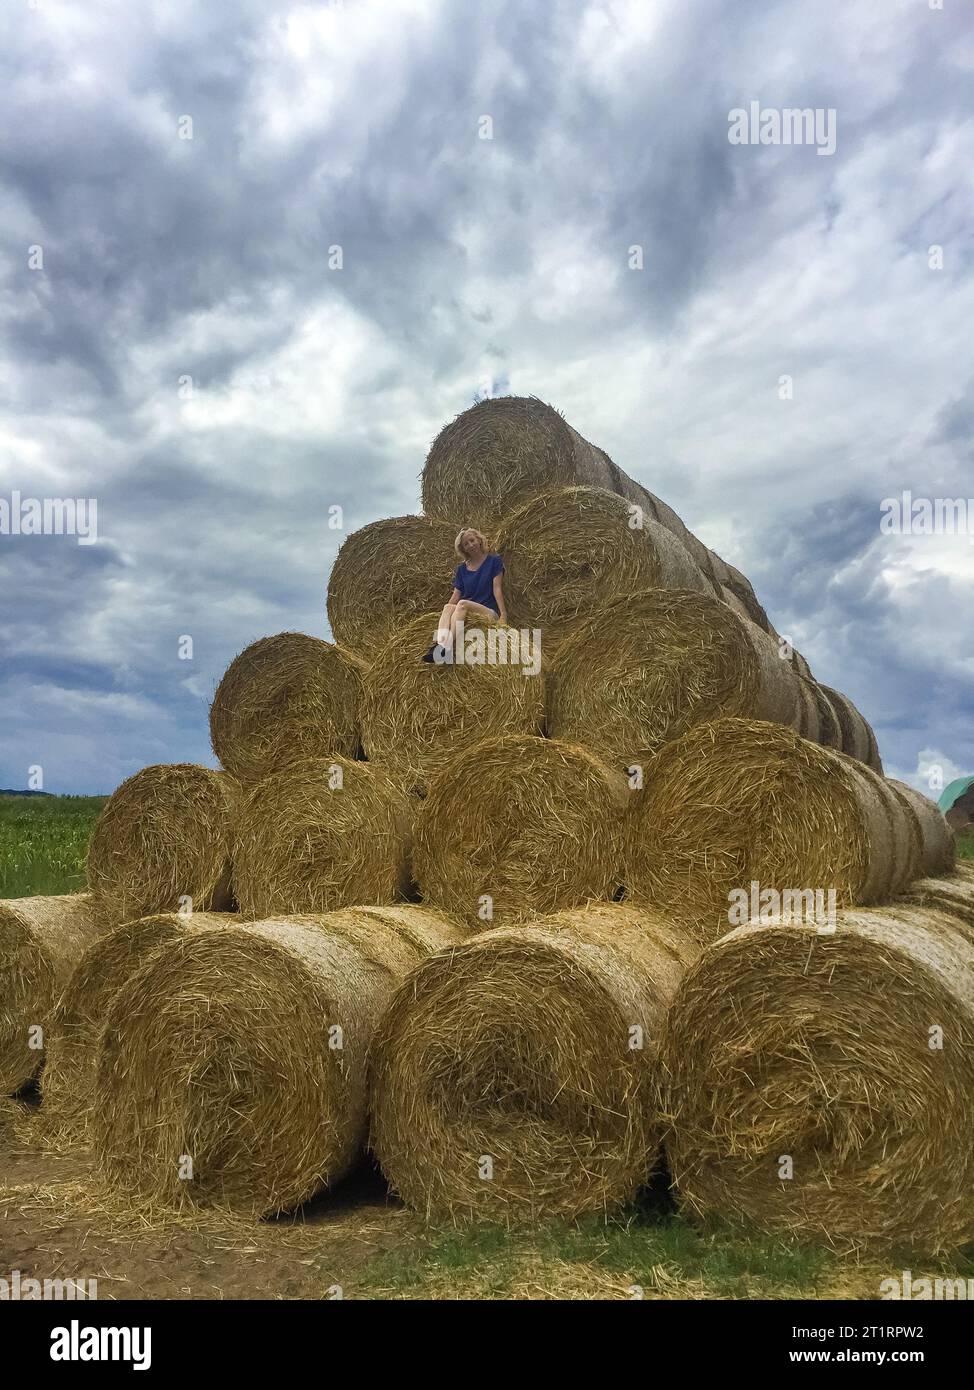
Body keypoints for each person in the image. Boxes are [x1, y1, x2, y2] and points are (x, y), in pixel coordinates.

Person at [422, 527, 507, 663]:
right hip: (466, 611)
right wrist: (445, 615)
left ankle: (447, 647)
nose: (470, 545)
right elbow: (456, 596)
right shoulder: (461, 569)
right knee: (448, 606)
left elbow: (497, 589)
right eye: (466, 544)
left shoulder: (494, 561)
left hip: (488, 612)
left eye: (472, 541)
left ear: (479, 540)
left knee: (462, 604)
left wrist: (503, 615)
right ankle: (440, 646)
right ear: (463, 549)